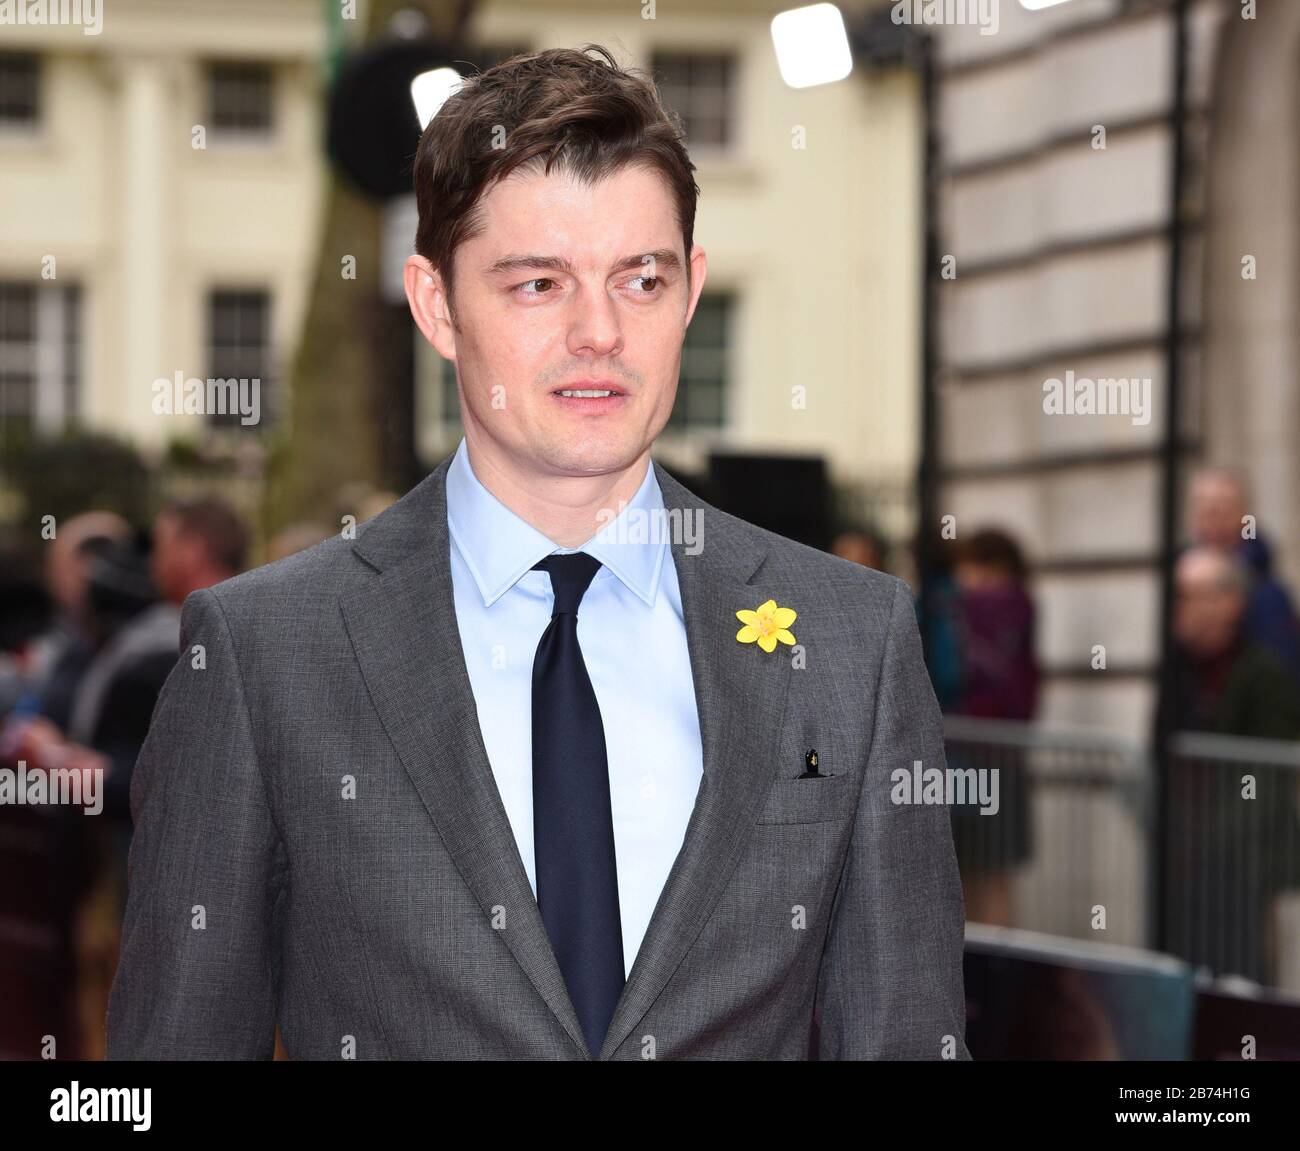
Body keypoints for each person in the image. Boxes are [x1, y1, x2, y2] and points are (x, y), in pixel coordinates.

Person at [107, 45, 968, 1061]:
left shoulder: (851, 641)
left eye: (638, 278)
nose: (597, 330)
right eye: (537, 284)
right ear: (435, 304)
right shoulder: (264, 654)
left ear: (689, 290)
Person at [1162, 546, 1300, 985]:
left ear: (1230, 603)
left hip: (1243, 861)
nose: (1183, 609)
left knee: (1241, 978)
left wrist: (1209, 838)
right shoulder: (1178, 671)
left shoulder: (1263, 673)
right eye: (1180, 596)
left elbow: (1268, 773)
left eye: (1193, 595)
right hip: (1182, 855)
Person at [948, 529, 1039, 928]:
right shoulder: (1023, 607)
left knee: (971, 875)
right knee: (993, 875)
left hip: (974, 752)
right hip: (1002, 753)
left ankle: (982, 977)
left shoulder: (969, 609)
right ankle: (994, 975)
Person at [1188, 466, 1300, 682]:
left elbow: (1283, 675)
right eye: (1205, 511)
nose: (1213, 522)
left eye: (1222, 510)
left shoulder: (1268, 595)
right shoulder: (1183, 578)